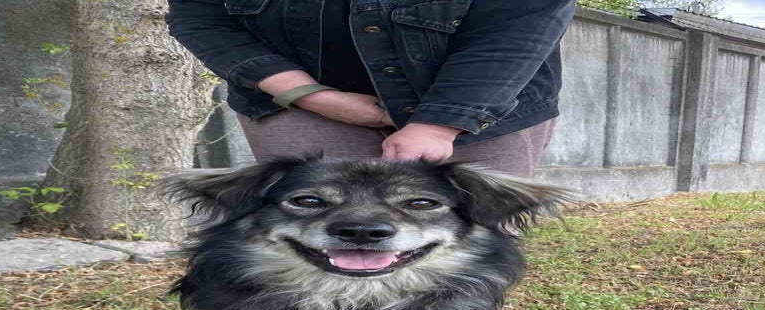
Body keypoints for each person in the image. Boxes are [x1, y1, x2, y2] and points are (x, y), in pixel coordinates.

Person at [165, 0, 575, 177]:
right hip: (298, 100)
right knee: (322, 227)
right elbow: (201, 19)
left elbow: (518, 27)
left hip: (484, 103)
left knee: (470, 239)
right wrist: (311, 96)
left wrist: (438, 125)